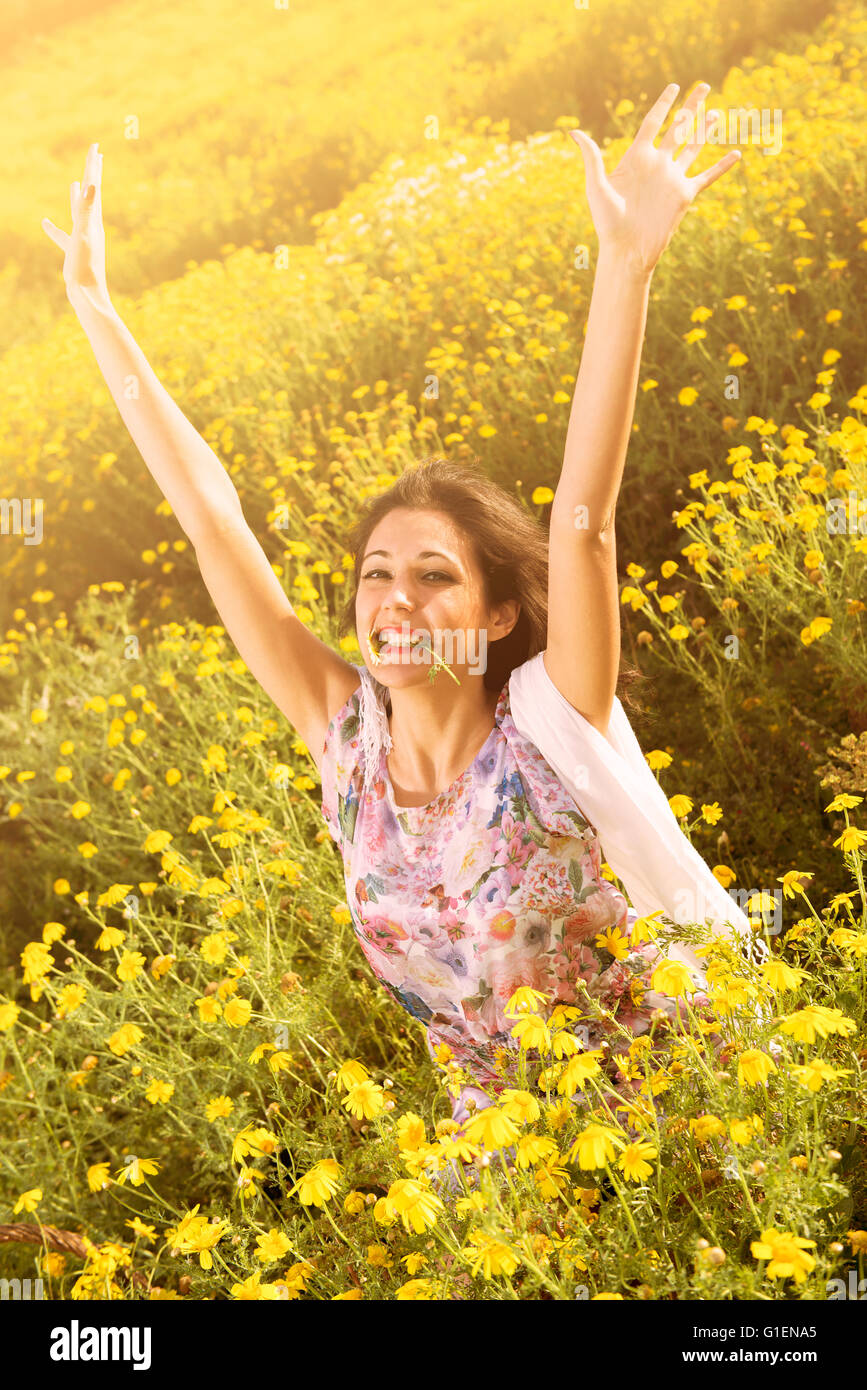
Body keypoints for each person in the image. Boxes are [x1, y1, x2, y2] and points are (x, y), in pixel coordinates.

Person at [43, 83, 743, 1196]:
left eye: (434, 575)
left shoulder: (555, 723)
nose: (397, 601)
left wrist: (626, 264)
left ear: (499, 613)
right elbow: (213, 521)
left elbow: (584, 518)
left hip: (678, 1149)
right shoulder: (347, 751)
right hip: (504, 1178)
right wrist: (98, 312)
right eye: (377, 576)